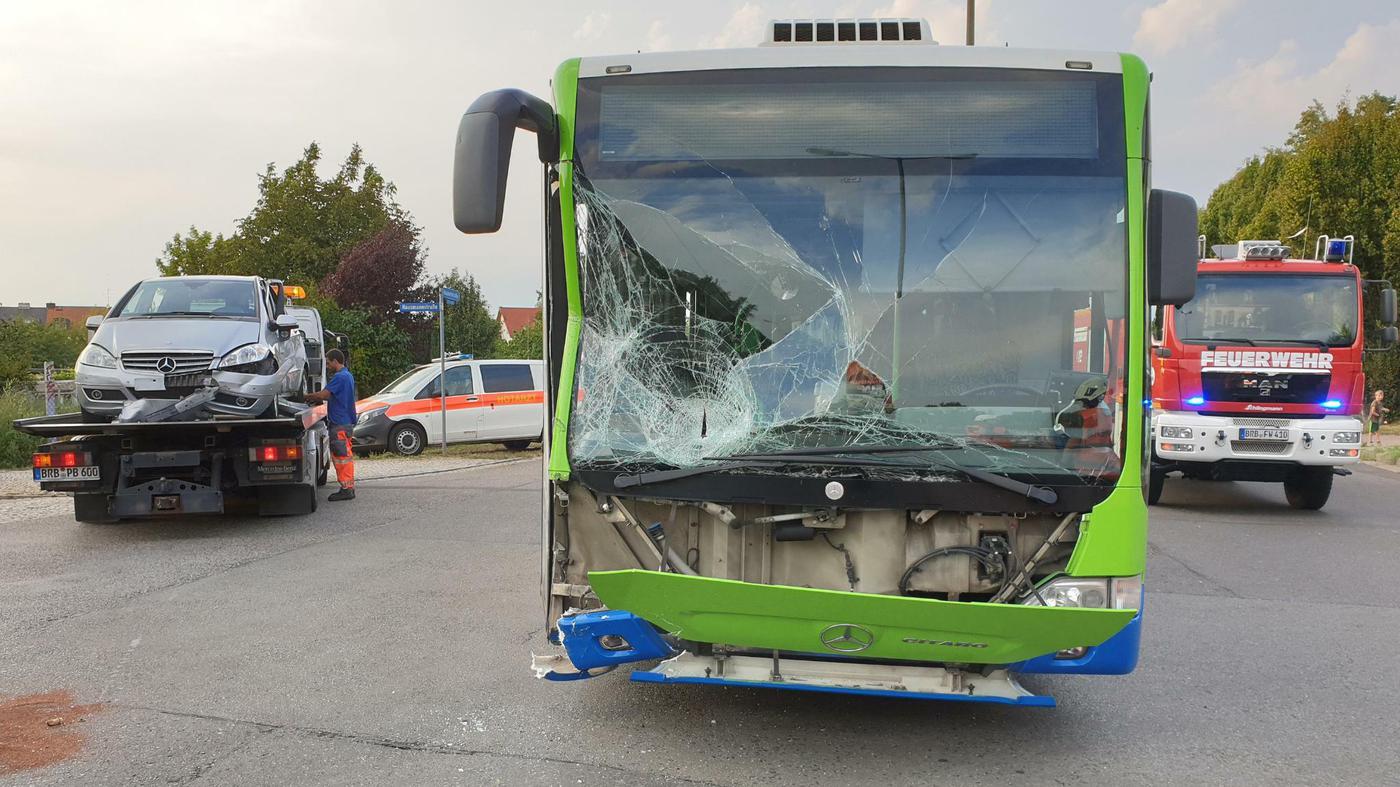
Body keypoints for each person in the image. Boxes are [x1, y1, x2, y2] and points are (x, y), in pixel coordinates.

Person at [304, 349, 357, 500]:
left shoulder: (340, 377)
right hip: (344, 422)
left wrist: (305, 397)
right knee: (344, 455)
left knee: (342, 457)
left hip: (339, 423)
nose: (327, 366)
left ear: (335, 361)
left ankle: (347, 489)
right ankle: (348, 487)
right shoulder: (348, 376)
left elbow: (324, 395)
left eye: (328, 363)